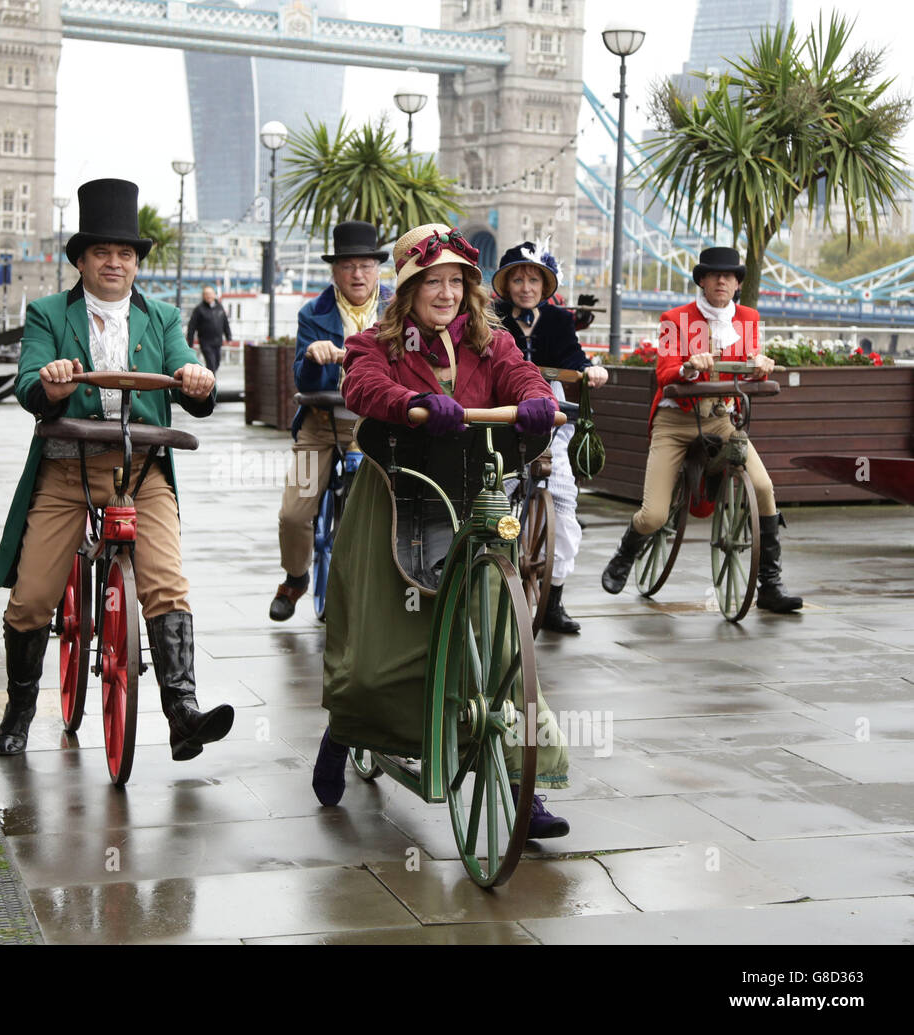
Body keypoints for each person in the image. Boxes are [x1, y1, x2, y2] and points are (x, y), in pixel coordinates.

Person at [312, 223, 572, 840]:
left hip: (473, 496)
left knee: (498, 643)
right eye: (434, 281)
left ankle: (519, 779)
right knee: (379, 654)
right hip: (396, 498)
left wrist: (537, 399)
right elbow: (362, 385)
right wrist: (412, 405)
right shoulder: (378, 342)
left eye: (458, 281)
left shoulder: (493, 339)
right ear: (408, 287)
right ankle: (345, 728)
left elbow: (522, 378)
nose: (448, 293)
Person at [0, 178, 234, 760]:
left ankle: (181, 711)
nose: (115, 263)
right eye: (102, 252)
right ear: (80, 260)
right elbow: (27, 386)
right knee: (32, 598)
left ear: (137, 263)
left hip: (142, 472)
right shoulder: (49, 314)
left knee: (167, 584)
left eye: (125, 254)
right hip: (67, 472)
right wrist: (50, 384)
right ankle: (21, 705)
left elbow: (188, 375)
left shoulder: (164, 316)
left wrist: (198, 380)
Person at [600, 246, 802, 612]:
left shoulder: (748, 318)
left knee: (764, 487)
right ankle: (626, 551)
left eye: (729, 275)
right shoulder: (673, 318)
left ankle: (769, 584)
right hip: (675, 421)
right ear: (702, 281)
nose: (722, 280)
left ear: (738, 283)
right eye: (713, 275)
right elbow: (664, 373)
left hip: (722, 419)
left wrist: (760, 364)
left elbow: (753, 360)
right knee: (655, 516)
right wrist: (689, 366)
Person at [268, 220, 393, 621]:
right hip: (320, 426)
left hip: (375, 427)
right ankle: (296, 577)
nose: (358, 274)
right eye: (348, 266)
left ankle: (391, 582)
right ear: (334, 271)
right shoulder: (313, 313)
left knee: (396, 506)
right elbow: (302, 382)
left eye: (366, 265)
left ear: (378, 270)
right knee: (294, 513)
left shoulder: (399, 311)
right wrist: (311, 356)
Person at [491, 241, 609, 634]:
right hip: (502, 408)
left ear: (546, 285)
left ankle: (553, 598)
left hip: (549, 409)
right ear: (506, 284)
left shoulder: (558, 320)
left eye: (534, 279)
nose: (526, 287)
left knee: (562, 500)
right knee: (495, 490)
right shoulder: (491, 317)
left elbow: (574, 357)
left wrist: (590, 370)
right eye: (518, 279)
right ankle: (490, 589)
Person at [185, 284, 231, 373]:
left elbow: (225, 323)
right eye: (206, 294)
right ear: (203, 296)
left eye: (210, 293)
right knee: (211, 365)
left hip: (218, 342)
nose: (208, 296)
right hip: (206, 343)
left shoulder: (220, 307)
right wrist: (190, 343)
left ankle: (210, 383)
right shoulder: (199, 309)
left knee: (217, 364)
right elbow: (192, 326)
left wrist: (228, 336)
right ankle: (212, 386)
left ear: (214, 295)